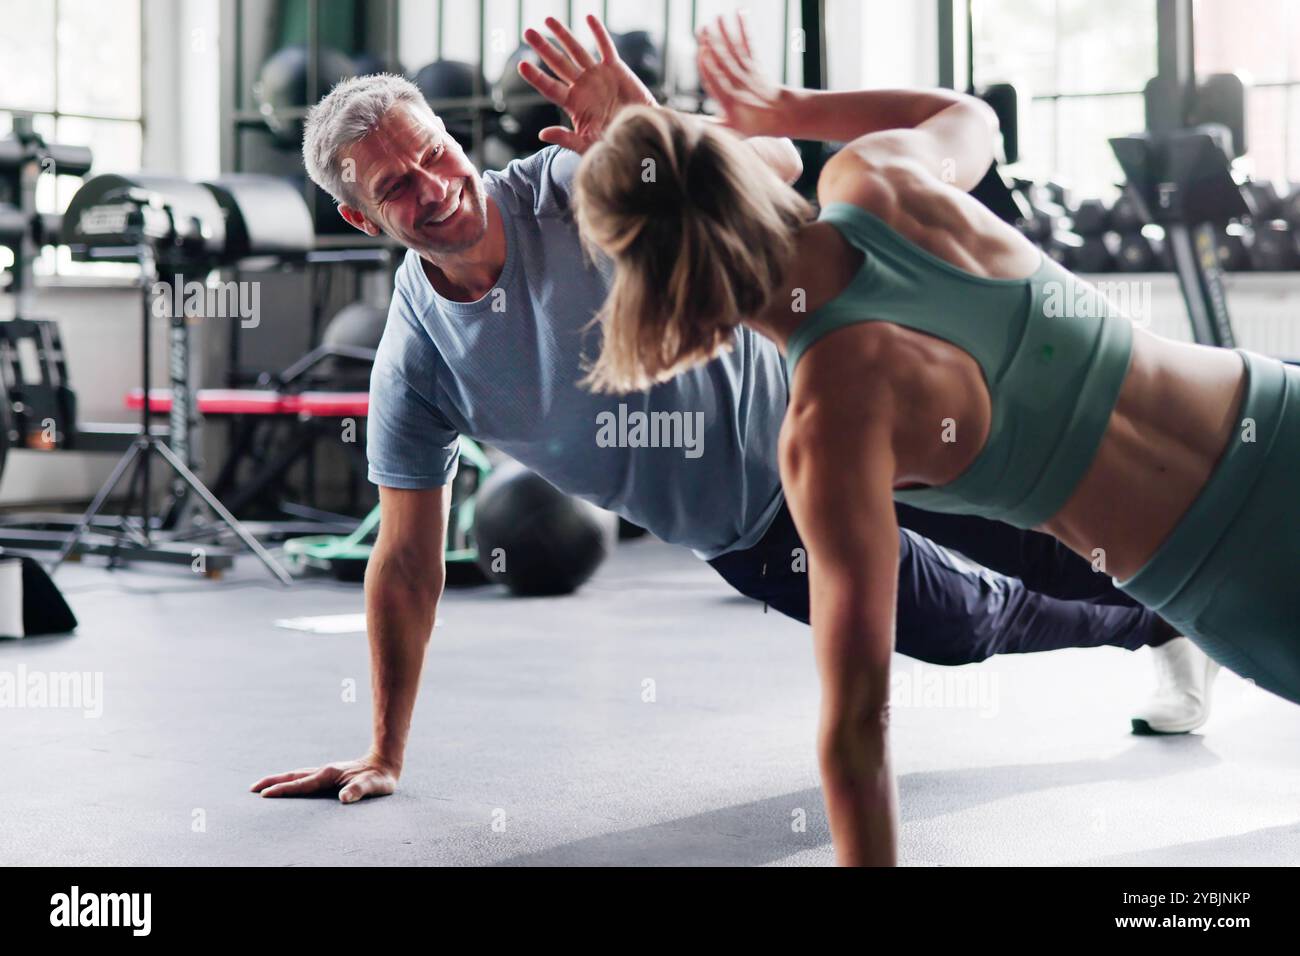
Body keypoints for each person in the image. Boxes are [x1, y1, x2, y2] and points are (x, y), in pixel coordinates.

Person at [250, 16, 1214, 811]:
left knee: (1055, 539)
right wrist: (383, 749)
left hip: (843, 411)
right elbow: (407, 559)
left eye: (436, 154)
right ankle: (1152, 629)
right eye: (397, 187)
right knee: (960, 629)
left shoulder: (573, 182)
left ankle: (1219, 596)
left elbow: (767, 165)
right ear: (360, 219)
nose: (436, 187)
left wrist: (647, 125)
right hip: (751, 527)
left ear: (454, 139)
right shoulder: (417, 362)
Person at [572, 17, 1299, 865]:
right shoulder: (879, 180)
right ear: (744, 164)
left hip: (1228, 579)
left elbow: (856, 729)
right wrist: (788, 106)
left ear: (651, 291)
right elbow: (970, 115)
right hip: (1273, 404)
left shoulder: (827, 430)